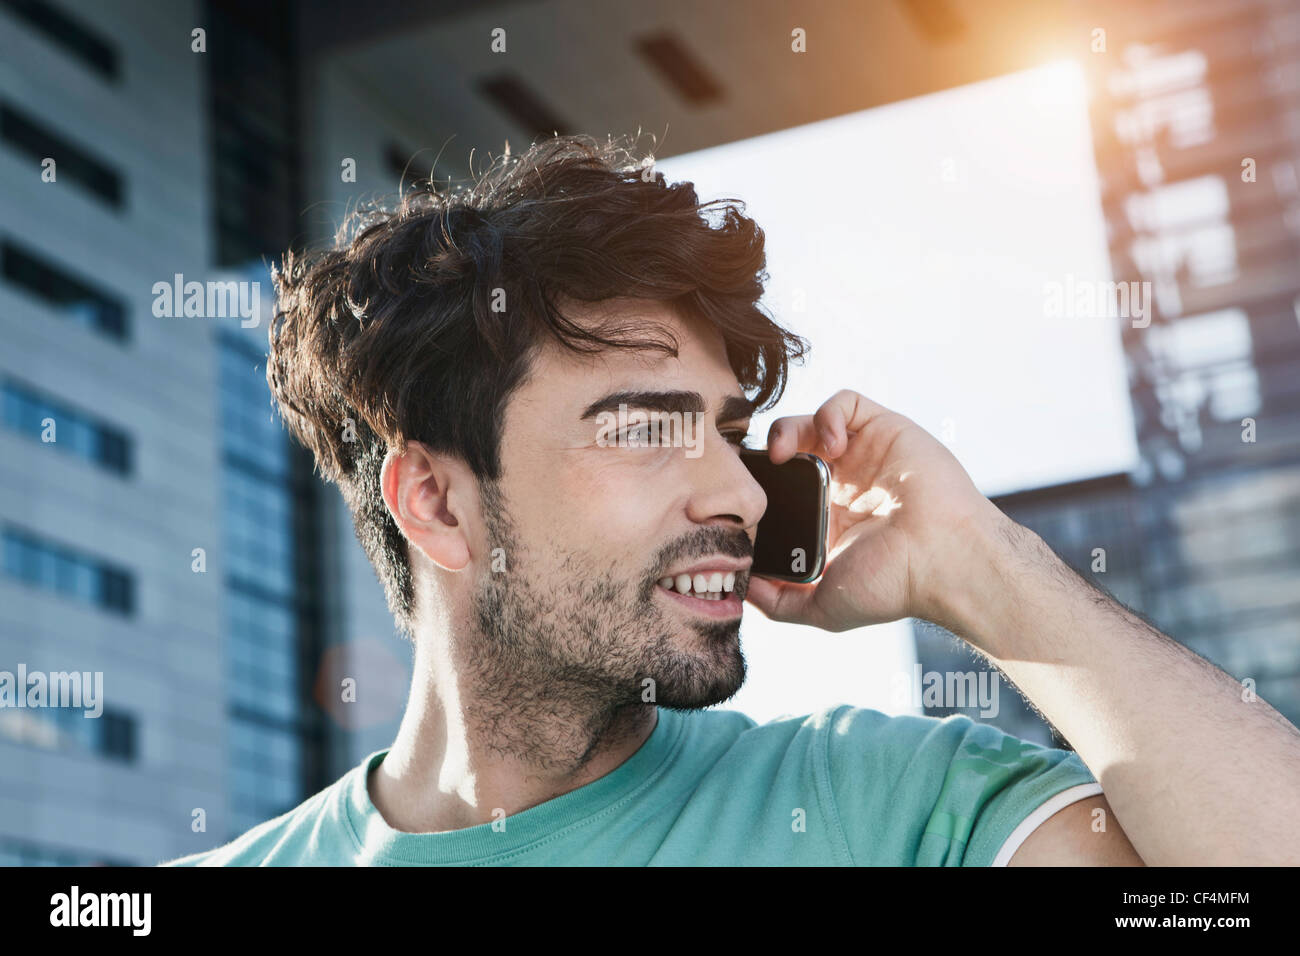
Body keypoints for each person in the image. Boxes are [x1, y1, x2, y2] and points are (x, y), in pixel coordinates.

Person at [162, 134, 1298, 866]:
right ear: (440, 505)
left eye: (731, 432)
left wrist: (981, 567)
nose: (734, 489)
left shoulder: (891, 807)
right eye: (649, 427)